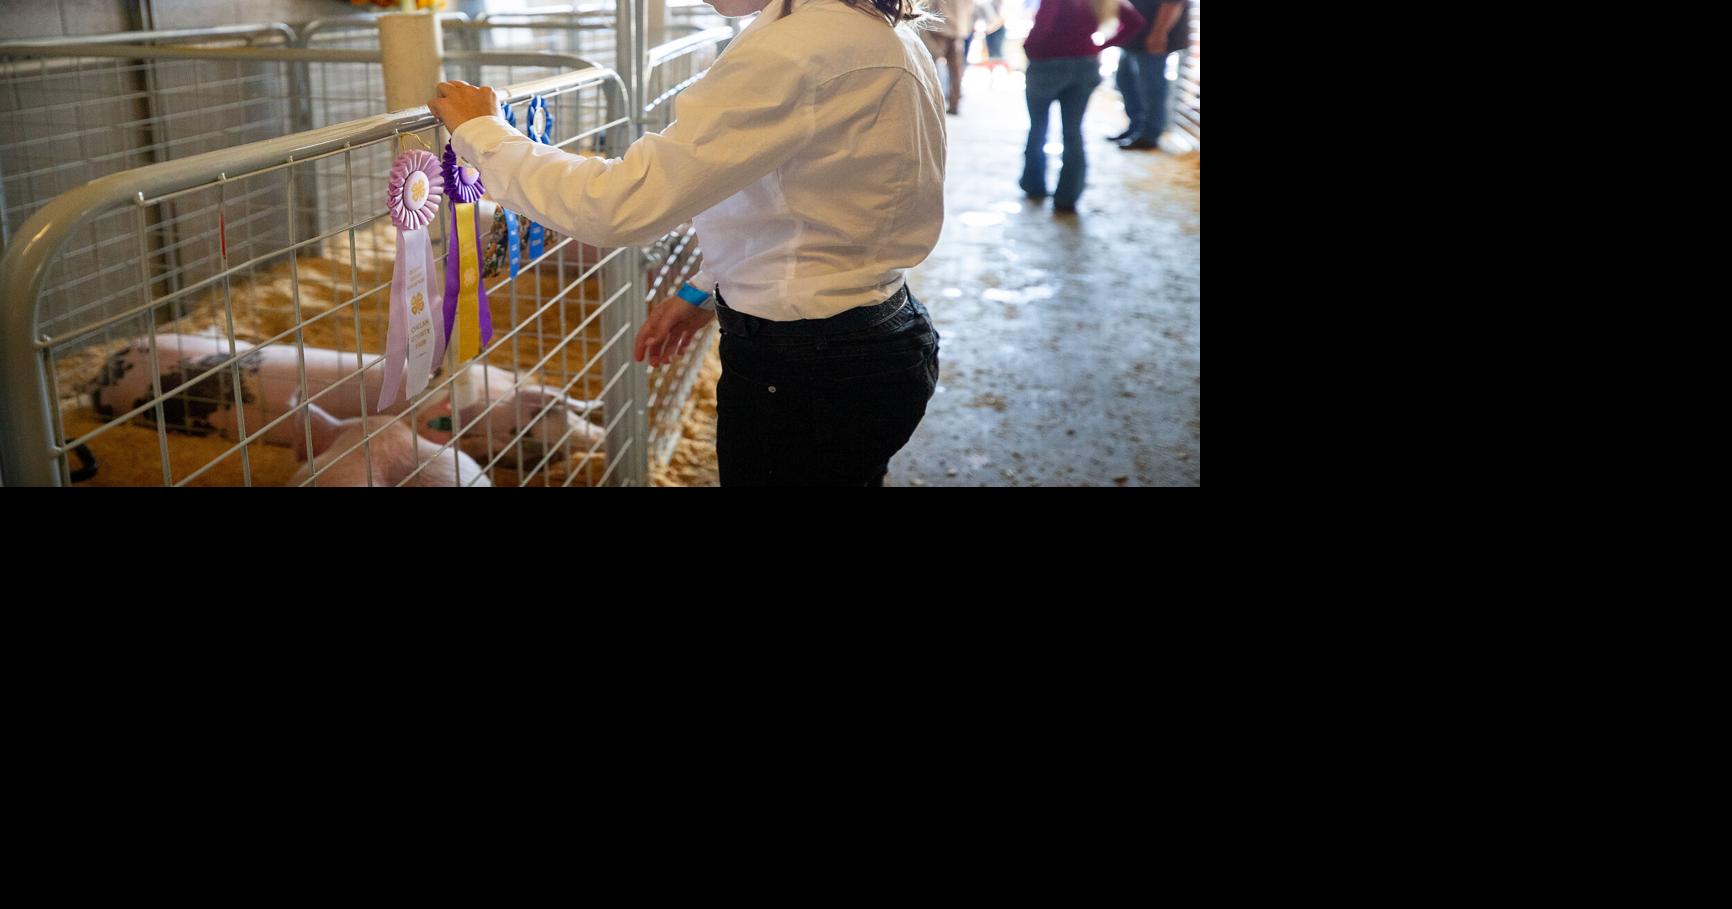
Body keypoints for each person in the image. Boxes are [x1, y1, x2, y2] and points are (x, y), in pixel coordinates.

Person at [427, 0, 947, 486]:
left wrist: (485, 134)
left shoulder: (797, 51)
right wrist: (706, 286)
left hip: (808, 367)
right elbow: (811, 203)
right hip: (872, 332)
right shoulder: (876, 29)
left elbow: (618, 204)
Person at [1019, 0, 1145, 213]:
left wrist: (1030, 49)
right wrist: (1097, 46)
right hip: (1085, 64)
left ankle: (1034, 186)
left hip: (1047, 64)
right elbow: (1135, 21)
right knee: (1073, 132)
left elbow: (1043, 25)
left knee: (1038, 127)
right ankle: (1067, 197)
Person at [1110, 0, 1189, 150]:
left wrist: (1159, 33)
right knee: (1125, 81)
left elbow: (1173, 3)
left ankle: (1149, 135)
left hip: (1151, 37)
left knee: (1151, 86)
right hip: (1134, 36)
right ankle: (1136, 128)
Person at [920, 0, 974, 115]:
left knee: (931, 67)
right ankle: (954, 103)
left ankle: (931, 102)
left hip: (940, 27)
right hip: (957, 28)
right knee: (956, 70)